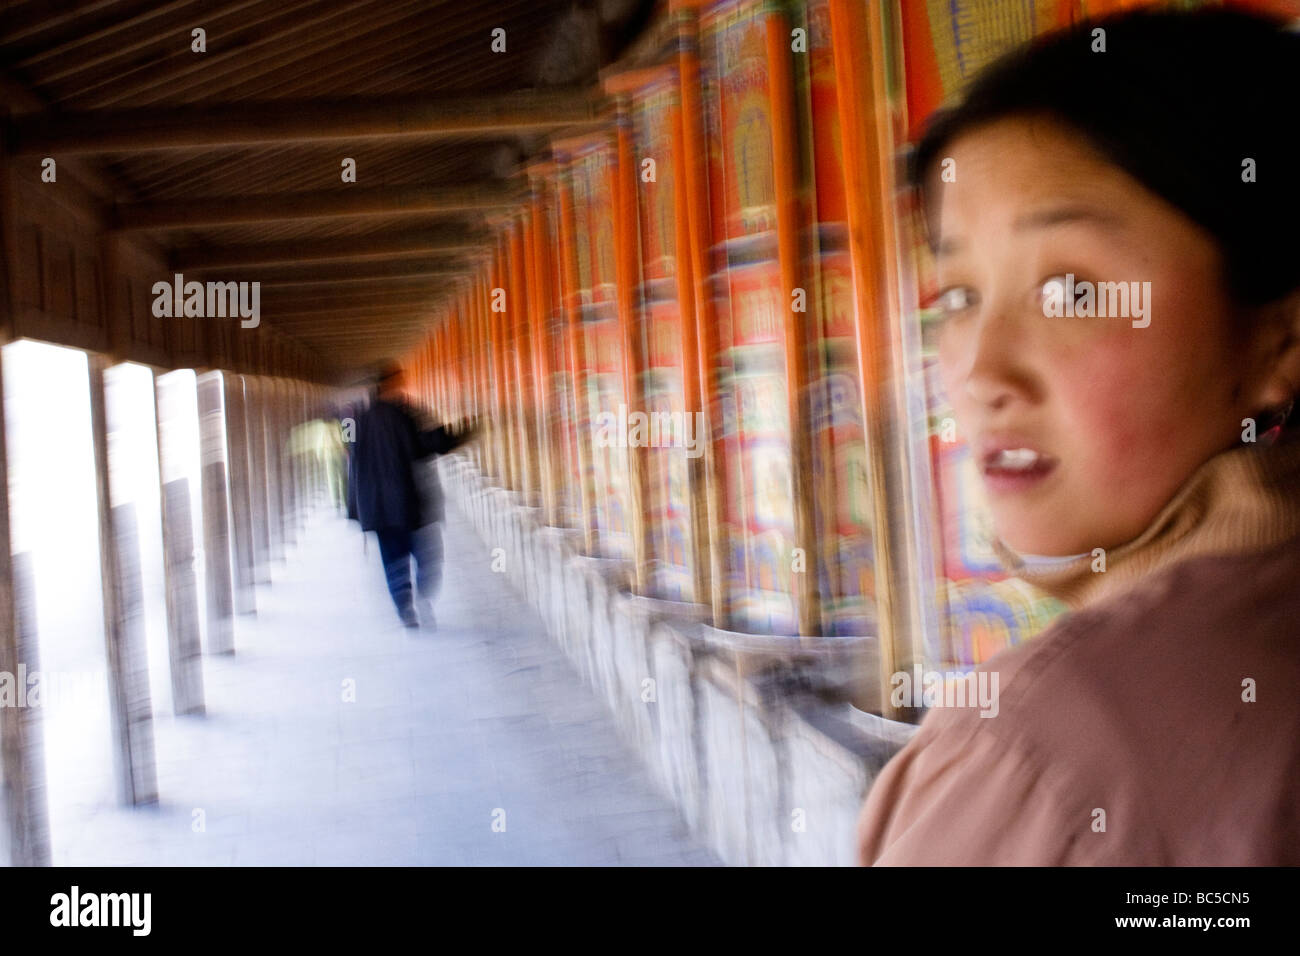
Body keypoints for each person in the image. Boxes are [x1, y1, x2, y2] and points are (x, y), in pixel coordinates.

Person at [856, 7, 1300, 865]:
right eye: (958, 297)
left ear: (1277, 338)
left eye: (1071, 293)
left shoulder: (1040, 750)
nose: (983, 375)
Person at [352, 363, 475, 629]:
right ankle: (423, 595)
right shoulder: (406, 413)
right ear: (391, 383)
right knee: (428, 555)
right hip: (409, 501)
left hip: (379, 507)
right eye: (400, 379)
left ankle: (404, 606)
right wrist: (465, 431)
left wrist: (356, 509)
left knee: (393, 558)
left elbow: (353, 465)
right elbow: (434, 444)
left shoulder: (359, 421)